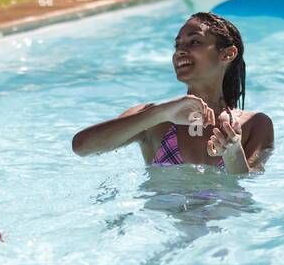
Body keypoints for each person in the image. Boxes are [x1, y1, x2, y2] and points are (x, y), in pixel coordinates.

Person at [71, 12, 273, 174]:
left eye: (194, 42)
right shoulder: (154, 118)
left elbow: (246, 187)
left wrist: (232, 152)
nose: (180, 51)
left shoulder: (255, 124)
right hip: (160, 224)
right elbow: (82, 147)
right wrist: (161, 113)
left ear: (228, 54)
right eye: (177, 45)